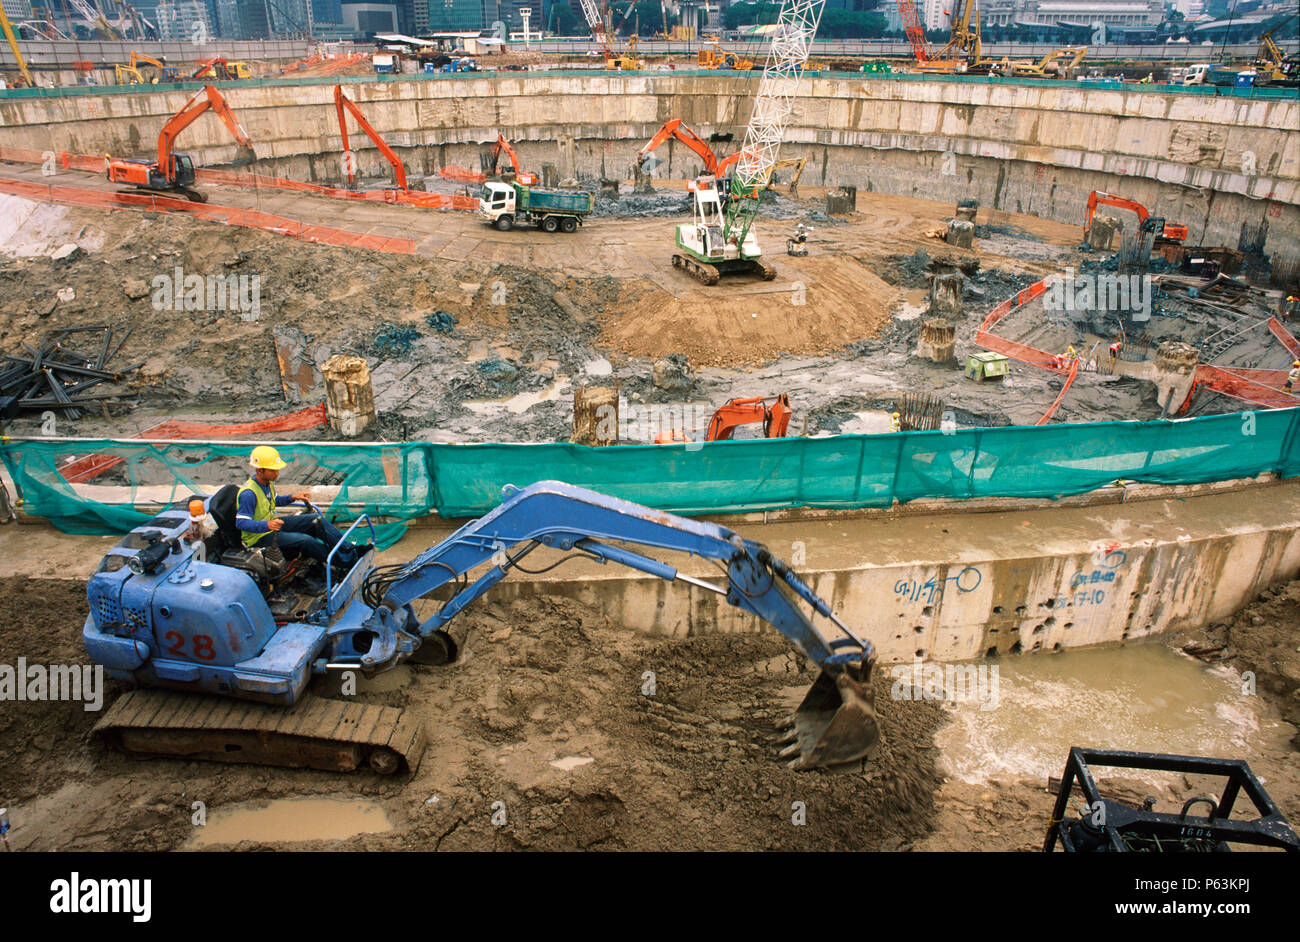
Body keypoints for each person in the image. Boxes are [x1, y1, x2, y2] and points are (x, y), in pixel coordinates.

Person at [236, 445, 365, 571]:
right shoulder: (249, 494)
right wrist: (267, 525)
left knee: (315, 520)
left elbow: (274, 500)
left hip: (273, 525)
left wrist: (293, 497)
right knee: (305, 540)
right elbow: (241, 523)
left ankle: (348, 549)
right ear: (260, 470)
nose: (277, 473)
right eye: (273, 470)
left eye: (277, 470)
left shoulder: (267, 483)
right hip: (259, 537)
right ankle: (347, 561)